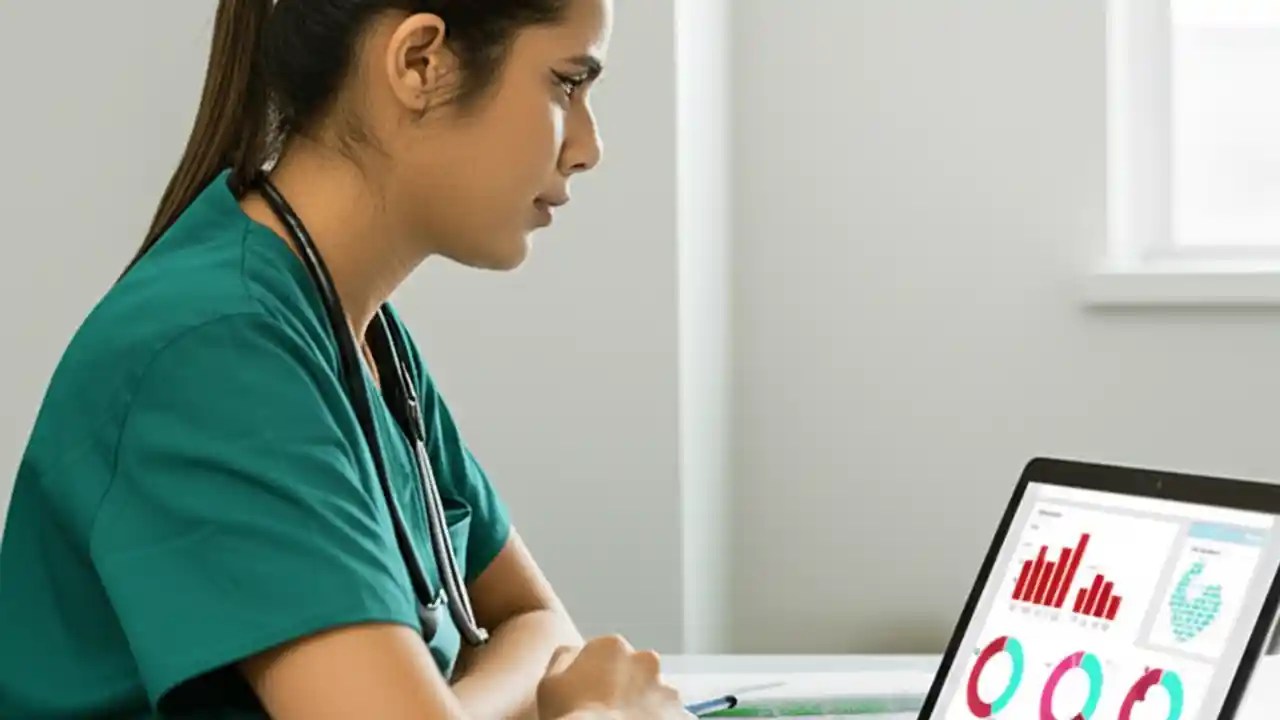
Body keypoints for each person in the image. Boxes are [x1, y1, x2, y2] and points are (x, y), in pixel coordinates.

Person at [0, 0, 691, 718]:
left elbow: (539, 626)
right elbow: (546, 669)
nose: (587, 147)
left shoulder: (358, 333)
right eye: (567, 82)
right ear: (420, 62)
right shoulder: (216, 353)